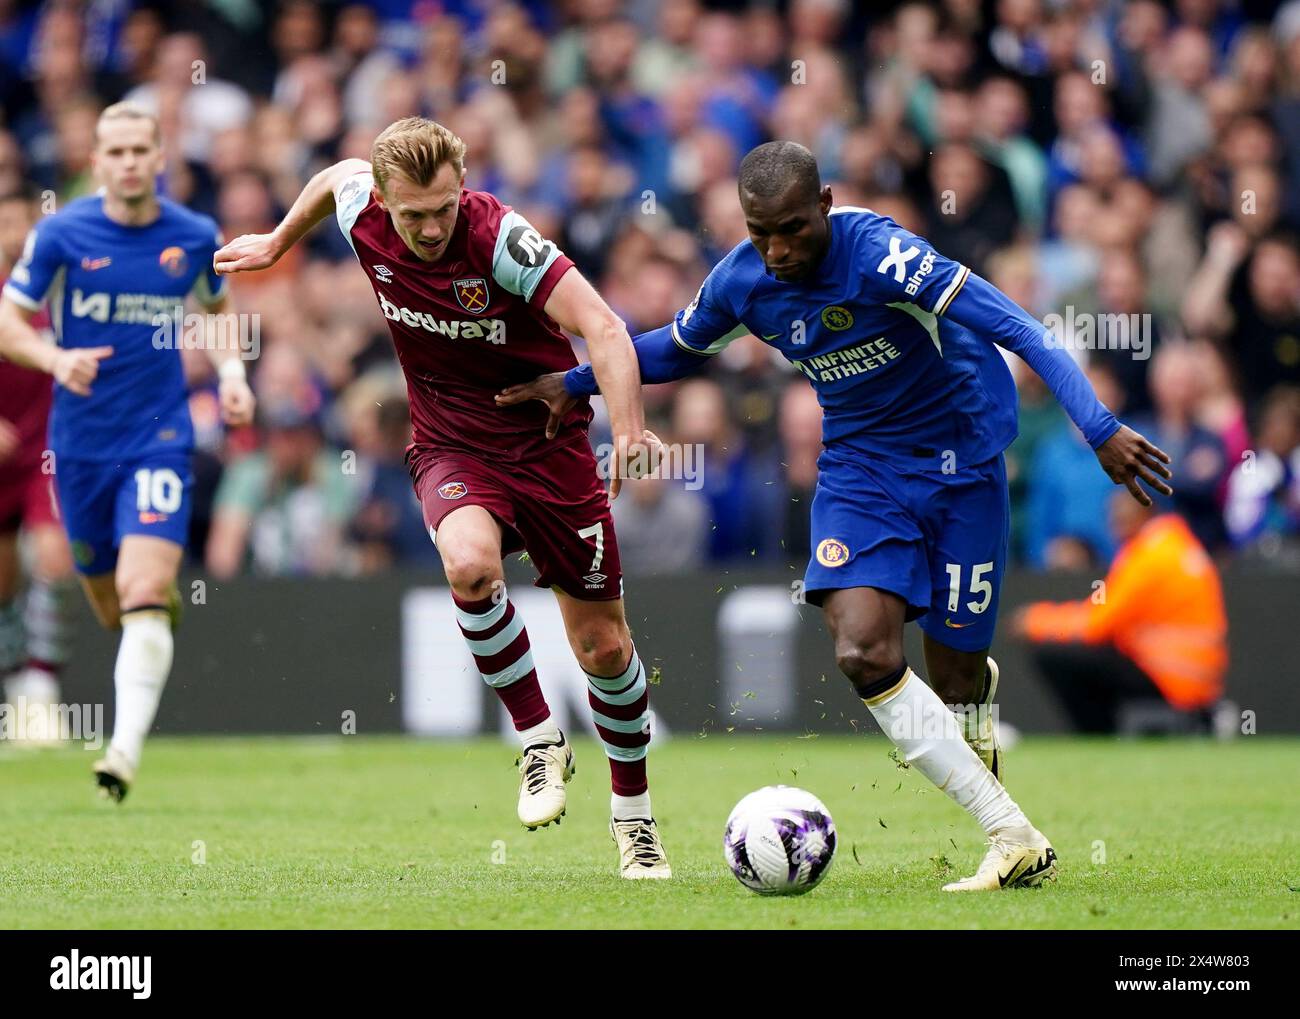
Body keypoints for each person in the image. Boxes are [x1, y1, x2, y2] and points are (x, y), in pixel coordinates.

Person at [501, 140, 1173, 891]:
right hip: (860, 471)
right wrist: (579, 378)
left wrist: (1100, 428)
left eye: (793, 228)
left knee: (952, 679)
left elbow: (1019, 327)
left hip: (964, 464)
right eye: (762, 233)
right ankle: (1010, 833)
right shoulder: (744, 281)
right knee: (863, 652)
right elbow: (678, 349)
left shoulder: (885, 255)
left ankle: (970, 700)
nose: (779, 250)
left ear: (825, 204)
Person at [213, 117, 671, 878]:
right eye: (413, 213)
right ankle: (538, 738)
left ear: (463, 188)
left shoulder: (501, 240)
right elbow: (334, 177)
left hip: (550, 448)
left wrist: (627, 429)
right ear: (385, 201)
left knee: (605, 648)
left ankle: (635, 819)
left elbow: (604, 325)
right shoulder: (363, 204)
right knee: (468, 566)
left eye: (443, 208)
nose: (430, 227)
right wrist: (276, 242)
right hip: (453, 444)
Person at [0, 103, 256, 798]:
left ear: (160, 155)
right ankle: (151, 609)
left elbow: (219, 309)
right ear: (98, 159)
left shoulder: (194, 234)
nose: (129, 162)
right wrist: (54, 358)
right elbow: (8, 319)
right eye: (114, 152)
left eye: (141, 149)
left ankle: (121, 751)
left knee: (143, 591)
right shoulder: (61, 232)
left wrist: (232, 374)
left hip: (159, 437)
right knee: (115, 605)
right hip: (79, 447)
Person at [1013, 491, 1228, 733]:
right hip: (1196, 679)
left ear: (1145, 510)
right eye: (1111, 514)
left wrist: (1035, 621)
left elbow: (1098, 624)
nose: (1113, 522)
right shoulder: (1177, 544)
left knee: (1054, 656)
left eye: (1121, 514)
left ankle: (1099, 735)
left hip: (1168, 678)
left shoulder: (1150, 555)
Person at [0, 190, 76, 744]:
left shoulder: (58, 292)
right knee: (3, 583)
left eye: (19, 223)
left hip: (45, 452)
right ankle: (13, 689)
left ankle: (41, 688)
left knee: (54, 558)